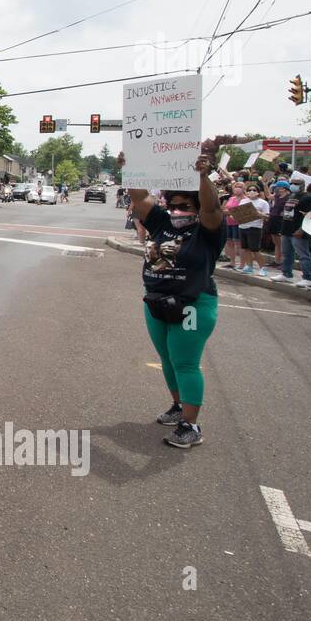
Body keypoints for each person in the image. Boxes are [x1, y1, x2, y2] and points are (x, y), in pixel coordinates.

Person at [117, 151, 225, 450]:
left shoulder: (208, 231)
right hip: (156, 301)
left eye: (185, 206)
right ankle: (178, 406)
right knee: (167, 359)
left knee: (185, 362)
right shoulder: (161, 221)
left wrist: (202, 177)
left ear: (196, 207)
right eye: (173, 205)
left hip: (193, 303)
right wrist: (132, 169)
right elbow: (139, 200)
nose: (178, 210)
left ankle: (191, 425)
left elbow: (213, 207)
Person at [272, 180, 311, 289]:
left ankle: (307, 278)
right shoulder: (291, 196)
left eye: (296, 184)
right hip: (286, 229)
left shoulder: (308, 198)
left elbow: (310, 216)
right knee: (286, 253)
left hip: (298, 231)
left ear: (302, 185)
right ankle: (286, 273)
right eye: (292, 183)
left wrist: (301, 230)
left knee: (303, 255)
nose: (293, 186)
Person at [234, 184, 270, 275]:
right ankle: (249, 266)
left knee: (255, 249)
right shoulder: (243, 201)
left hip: (254, 228)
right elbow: (239, 213)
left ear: (258, 192)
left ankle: (262, 268)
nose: (251, 192)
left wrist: (258, 214)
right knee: (245, 249)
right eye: (250, 190)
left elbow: (267, 217)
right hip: (242, 227)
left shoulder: (263, 202)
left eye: (254, 190)